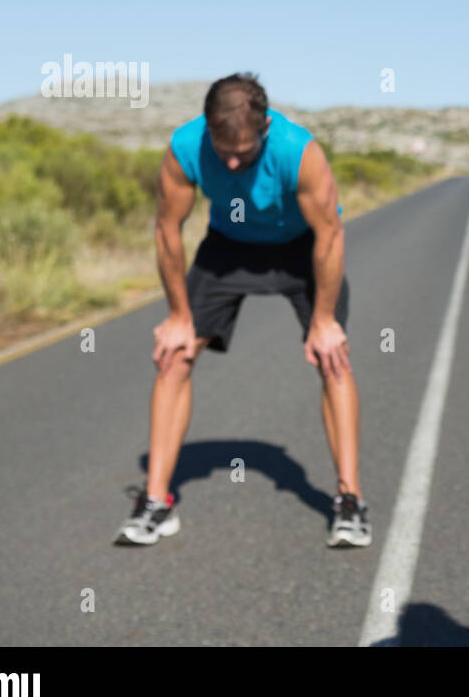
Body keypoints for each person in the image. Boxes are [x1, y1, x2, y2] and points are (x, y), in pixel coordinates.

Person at [115, 72, 370, 549]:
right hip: (228, 249)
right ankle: (155, 503)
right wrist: (177, 316)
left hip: (300, 250)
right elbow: (168, 230)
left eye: (244, 152)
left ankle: (349, 502)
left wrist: (323, 321)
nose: (232, 161)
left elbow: (330, 235)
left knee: (333, 357)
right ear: (207, 128)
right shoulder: (186, 146)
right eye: (223, 150)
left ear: (266, 130)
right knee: (175, 355)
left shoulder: (298, 151)